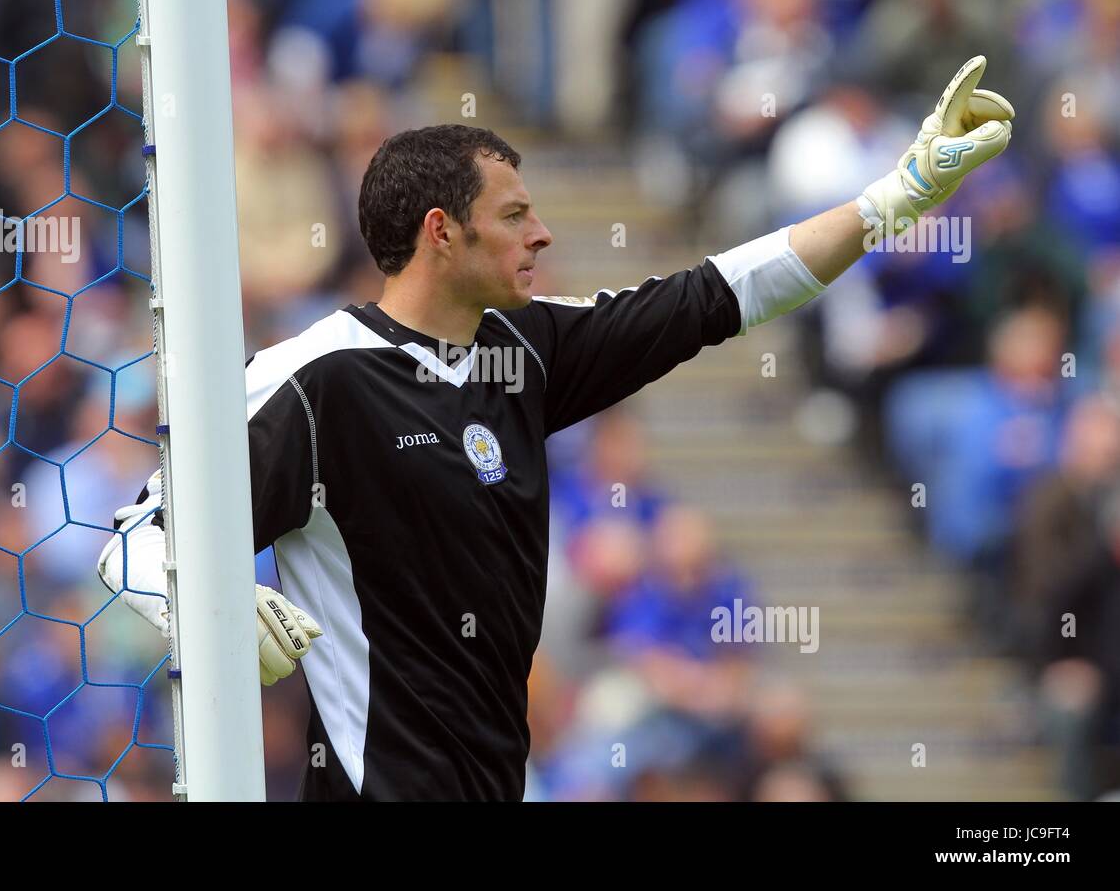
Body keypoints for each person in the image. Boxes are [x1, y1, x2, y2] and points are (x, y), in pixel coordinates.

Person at [98, 57, 1014, 800]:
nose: (541, 233)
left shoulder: (528, 351)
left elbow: (717, 295)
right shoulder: (314, 382)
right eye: (514, 215)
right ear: (439, 233)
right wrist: (207, 610)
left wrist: (899, 194)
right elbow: (133, 539)